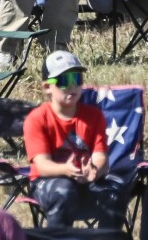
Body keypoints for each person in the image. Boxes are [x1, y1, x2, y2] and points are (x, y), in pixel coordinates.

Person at [24, 51, 121, 229]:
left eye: (77, 78)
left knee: (113, 194)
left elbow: (101, 158)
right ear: (47, 87)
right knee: (64, 191)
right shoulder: (37, 119)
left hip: (86, 181)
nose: (73, 86)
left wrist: (94, 171)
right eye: (64, 80)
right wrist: (67, 170)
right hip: (47, 181)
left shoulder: (94, 116)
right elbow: (42, 166)